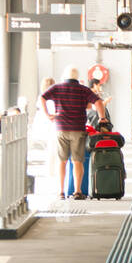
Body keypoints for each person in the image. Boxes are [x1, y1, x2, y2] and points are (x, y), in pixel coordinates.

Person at [41, 67, 105, 200]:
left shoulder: (57, 88)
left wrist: (48, 115)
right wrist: (102, 118)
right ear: (77, 77)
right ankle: (77, 191)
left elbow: (42, 97)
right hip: (78, 129)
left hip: (61, 129)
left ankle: (61, 192)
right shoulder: (83, 89)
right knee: (77, 162)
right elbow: (98, 102)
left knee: (62, 161)